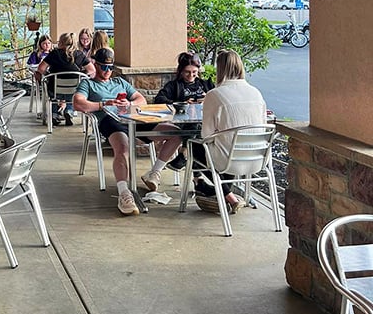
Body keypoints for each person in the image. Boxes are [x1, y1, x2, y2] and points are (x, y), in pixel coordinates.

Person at [73, 48, 147, 215]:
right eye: (104, 67)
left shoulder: (120, 82)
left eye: (110, 67)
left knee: (172, 132)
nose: (107, 71)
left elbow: (141, 99)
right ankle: (124, 192)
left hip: (132, 118)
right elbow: (78, 103)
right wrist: (105, 104)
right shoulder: (88, 83)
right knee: (123, 147)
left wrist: (129, 104)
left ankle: (156, 172)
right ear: (95, 65)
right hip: (109, 120)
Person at [195, 49, 267, 213]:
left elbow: (206, 135)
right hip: (257, 159)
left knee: (193, 147)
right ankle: (224, 194)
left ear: (219, 69)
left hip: (228, 160)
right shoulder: (255, 92)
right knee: (224, 146)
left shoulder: (214, 95)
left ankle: (223, 194)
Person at [141, 52, 215, 193]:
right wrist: (180, 103)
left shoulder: (206, 85)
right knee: (194, 134)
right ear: (180, 71)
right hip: (183, 124)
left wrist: (208, 99)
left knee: (196, 134)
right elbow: (159, 99)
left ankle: (185, 158)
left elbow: (218, 98)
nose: (191, 75)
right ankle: (195, 174)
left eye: (194, 72)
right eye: (187, 72)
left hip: (203, 125)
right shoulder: (174, 86)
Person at [37, 32, 91, 125]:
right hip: (73, 90)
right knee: (75, 90)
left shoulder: (54, 54)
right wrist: (81, 74)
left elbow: (40, 68)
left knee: (50, 88)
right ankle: (69, 111)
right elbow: (91, 70)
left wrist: (48, 74)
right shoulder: (79, 54)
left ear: (61, 42)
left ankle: (54, 114)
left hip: (55, 90)